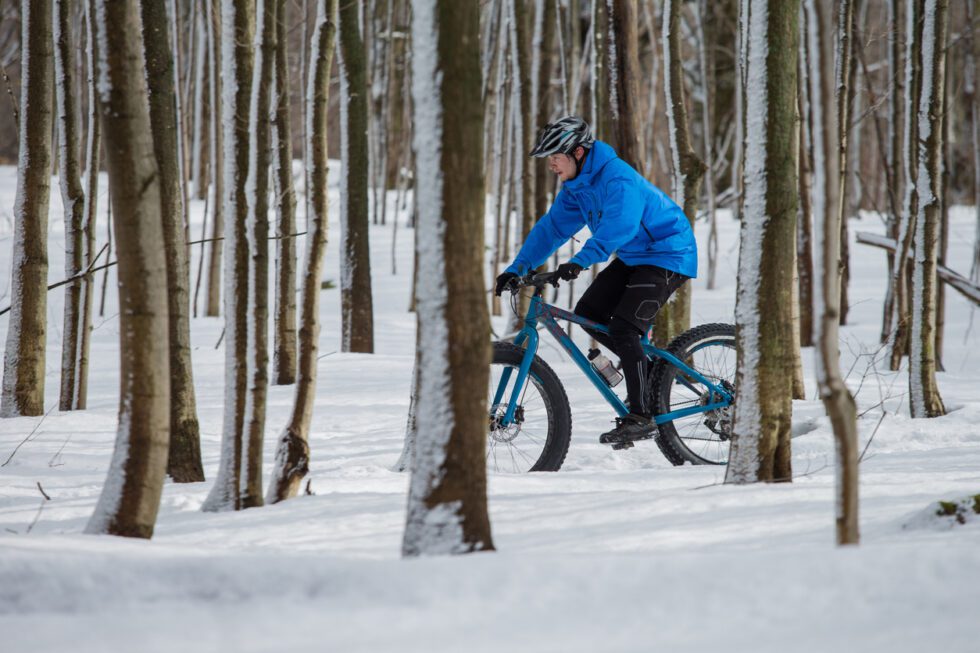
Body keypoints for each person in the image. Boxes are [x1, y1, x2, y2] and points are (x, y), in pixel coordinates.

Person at [494, 116, 697, 446]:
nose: (552, 167)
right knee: (589, 313)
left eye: (556, 159)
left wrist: (579, 261)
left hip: (668, 253)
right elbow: (552, 229)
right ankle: (648, 373)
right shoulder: (577, 188)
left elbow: (622, 226)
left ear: (577, 153)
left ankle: (641, 416)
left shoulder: (617, 179)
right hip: (635, 256)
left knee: (625, 329)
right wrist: (517, 268)